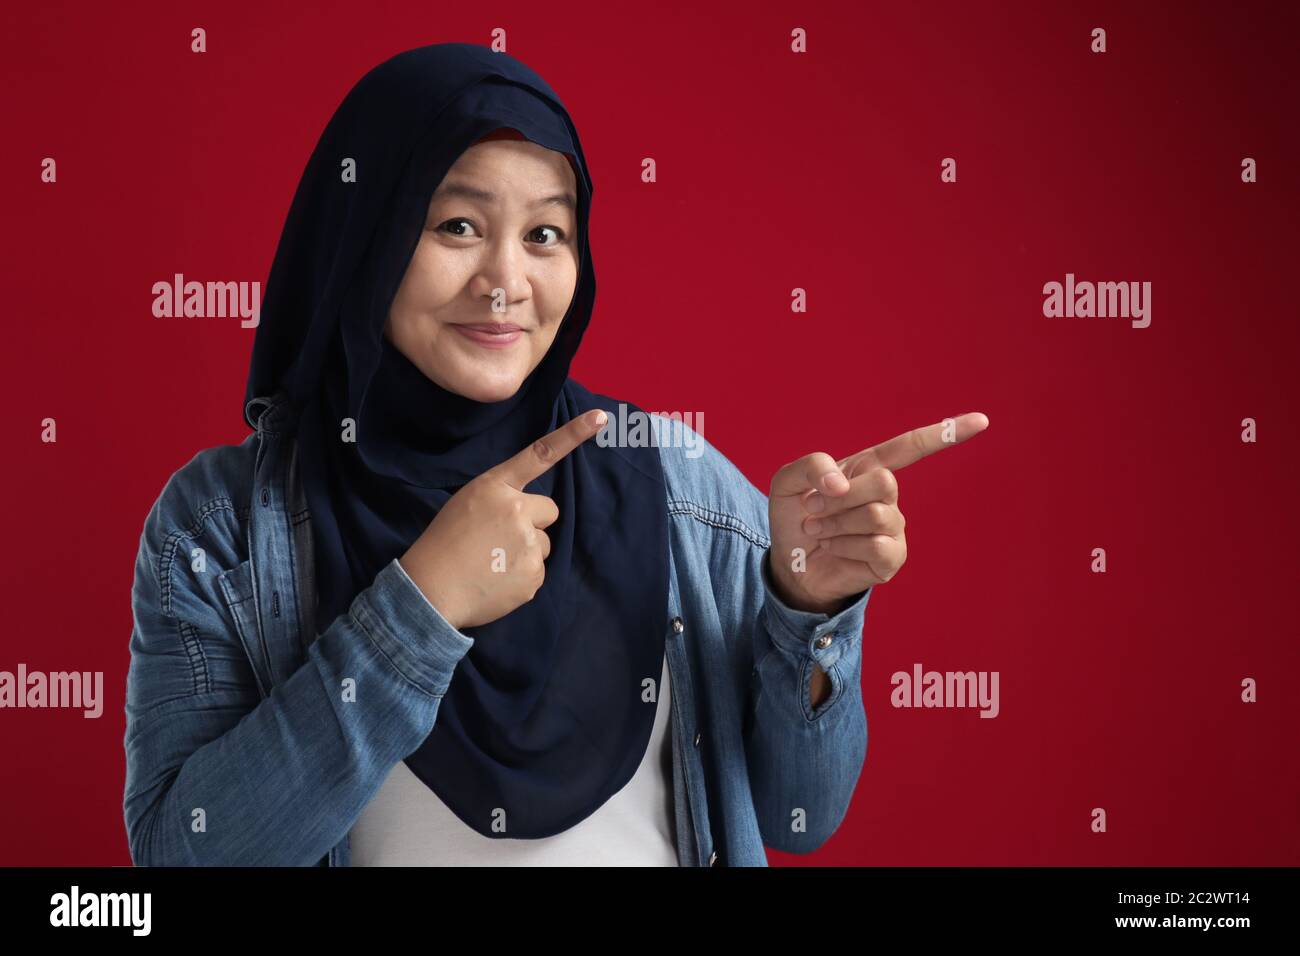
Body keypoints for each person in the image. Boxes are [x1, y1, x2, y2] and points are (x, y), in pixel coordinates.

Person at [123, 43, 988, 867]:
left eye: (546, 235)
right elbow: (183, 851)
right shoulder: (222, 525)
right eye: (457, 225)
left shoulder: (675, 482)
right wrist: (421, 609)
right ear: (365, 233)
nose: (507, 281)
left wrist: (805, 609)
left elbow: (802, 816)